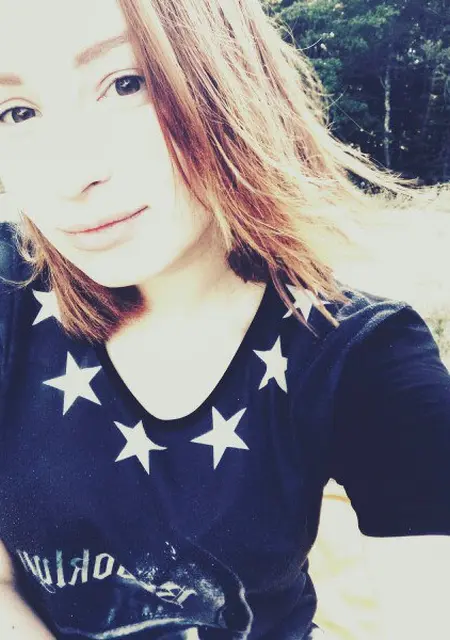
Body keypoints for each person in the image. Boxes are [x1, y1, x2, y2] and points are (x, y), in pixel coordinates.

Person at [0, 0, 449, 638]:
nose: (69, 177)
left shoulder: (365, 354)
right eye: (17, 113)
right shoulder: (9, 294)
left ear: (231, 79)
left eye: (127, 83)